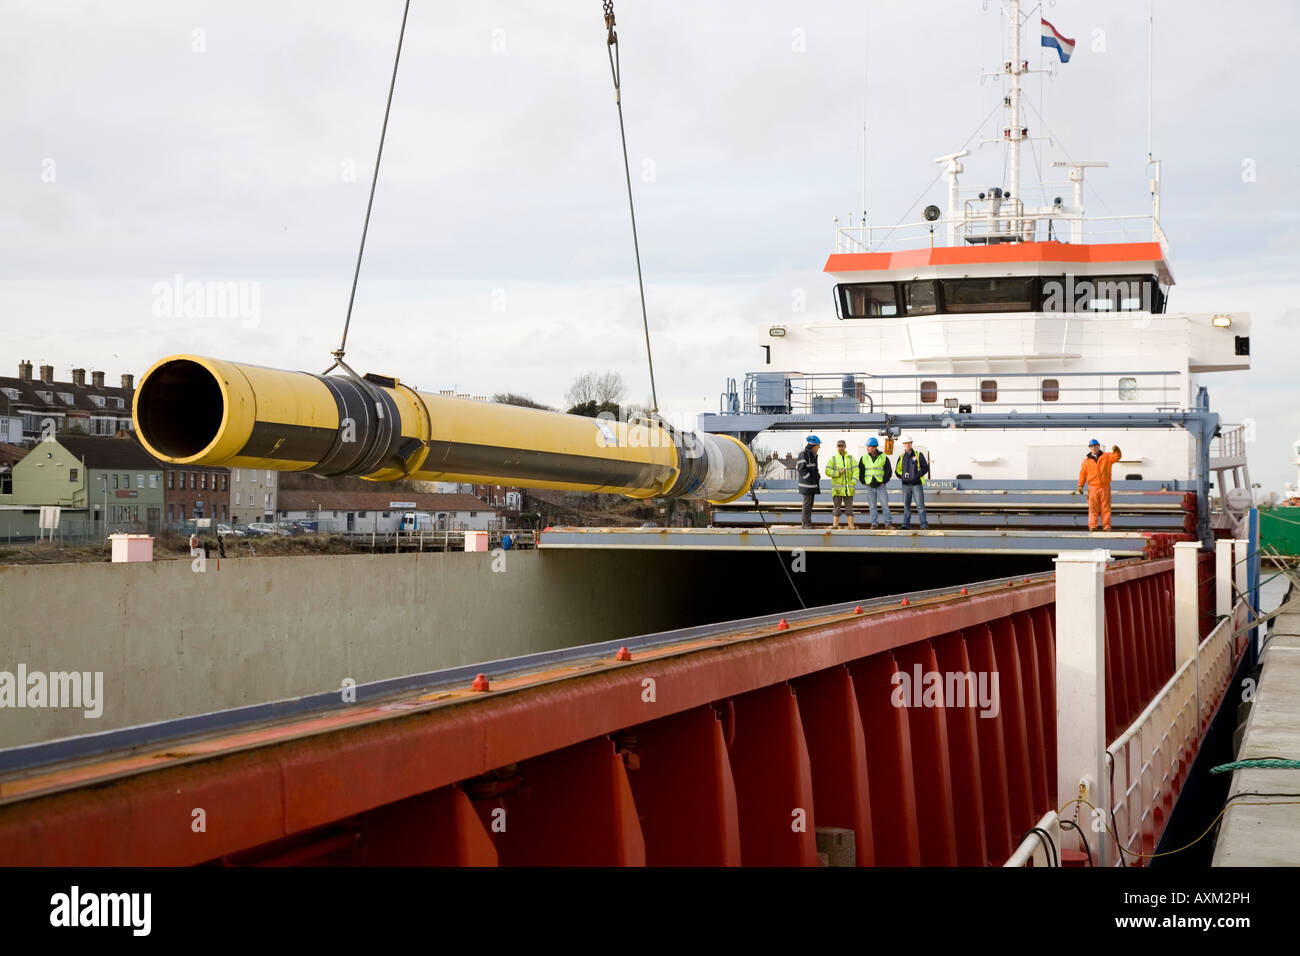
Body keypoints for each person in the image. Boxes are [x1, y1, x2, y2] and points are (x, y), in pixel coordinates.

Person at [1077, 438, 1122, 532]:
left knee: (1105, 508)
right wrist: (1080, 485)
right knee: (1093, 508)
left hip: (1104, 487)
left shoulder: (1107, 457)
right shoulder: (1086, 462)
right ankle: (1093, 526)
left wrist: (1117, 450)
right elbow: (1083, 474)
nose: (1094, 448)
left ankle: (1106, 527)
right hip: (1093, 488)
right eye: (1092, 446)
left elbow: (1117, 456)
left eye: (1095, 446)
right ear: (1090, 448)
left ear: (1099, 446)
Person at [895, 435, 930, 529]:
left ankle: (923, 524)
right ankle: (906, 525)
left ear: (911, 443)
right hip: (905, 485)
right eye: (905, 443)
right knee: (906, 507)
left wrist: (917, 475)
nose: (907, 445)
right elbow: (897, 470)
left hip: (916, 485)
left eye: (909, 443)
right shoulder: (902, 457)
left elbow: (925, 468)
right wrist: (902, 477)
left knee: (920, 506)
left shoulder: (918, 454)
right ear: (903, 444)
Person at [858, 437, 892, 529]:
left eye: (869, 446)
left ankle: (888, 523)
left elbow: (888, 471)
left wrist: (884, 481)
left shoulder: (884, 457)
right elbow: (860, 471)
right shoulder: (864, 458)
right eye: (867, 446)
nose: (867, 448)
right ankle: (874, 523)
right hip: (870, 485)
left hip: (881, 485)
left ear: (874, 447)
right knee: (872, 506)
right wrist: (863, 481)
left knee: (885, 505)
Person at [824, 439, 858, 529]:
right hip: (837, 490)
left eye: (842, 446)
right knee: (836, 508)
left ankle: (851, 525)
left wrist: (853, 481)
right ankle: (835, 525)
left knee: (849, 508)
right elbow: (827, 471)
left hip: (848, 489)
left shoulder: (851, 459)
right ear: (837, 447)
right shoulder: (833, 459)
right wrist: (838, 472)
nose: (840, 448)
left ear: (845, 447)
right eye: (839, 446)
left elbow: (856, 471)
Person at [796, 435, 822, 529]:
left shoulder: (812, 455)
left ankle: (808, 522)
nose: (819, 448)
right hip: (807, 485)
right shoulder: (804, 454)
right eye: (818, 446)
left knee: (809, 505)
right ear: (813, 446)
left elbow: (814, 469)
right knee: (807, 505)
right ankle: (805, 523)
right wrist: (810, 480)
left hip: (811, 485)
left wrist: (817, 477)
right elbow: (801, 469)